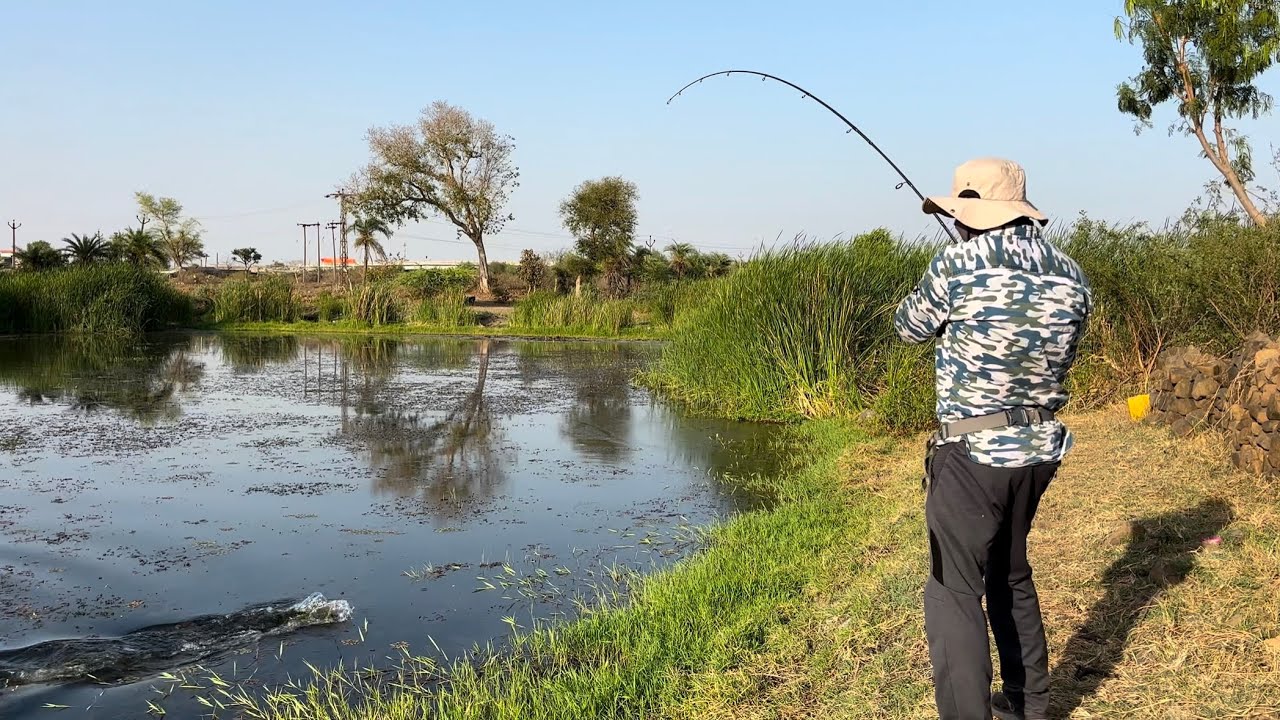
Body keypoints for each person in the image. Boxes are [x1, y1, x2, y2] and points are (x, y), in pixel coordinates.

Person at [893, 157, 1092, 720]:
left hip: (971, 454)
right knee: (1009, 571)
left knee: (953, 589)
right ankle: (1029, 706)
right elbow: (1064, 354)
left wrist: (951, 277)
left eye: (959, 213)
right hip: (1039, 452)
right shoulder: (1072, 275)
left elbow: (907, 328)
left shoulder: (954, 265)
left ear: (970, 214)